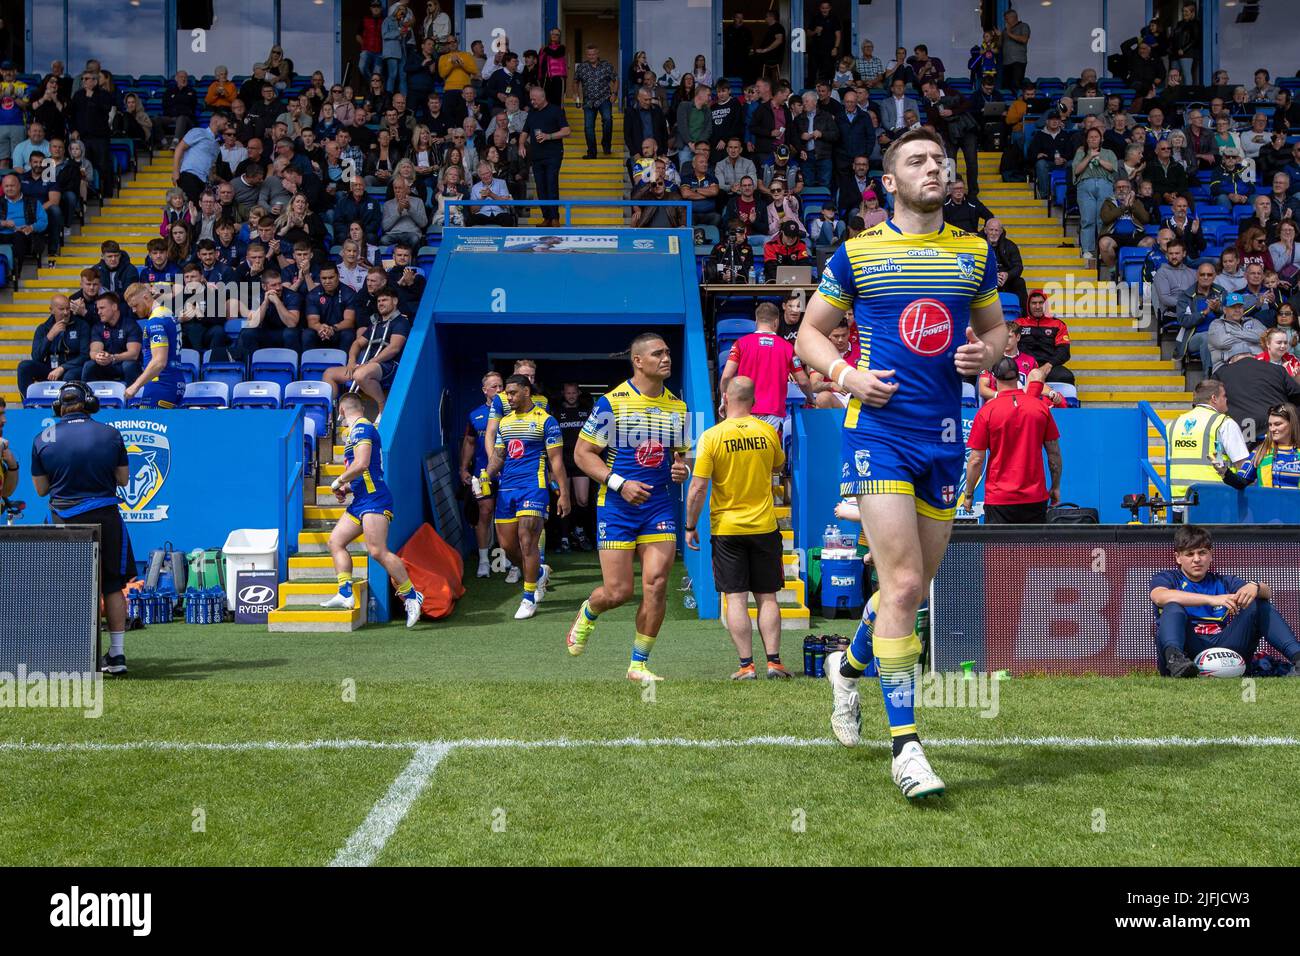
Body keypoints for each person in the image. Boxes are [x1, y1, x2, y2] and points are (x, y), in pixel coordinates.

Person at [796, 127, 1007, 800]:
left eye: (940, 160)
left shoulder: (974, 253)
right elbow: (807, 331)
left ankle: (845, 670)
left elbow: (998, 330)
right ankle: (907, 749)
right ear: (889, 181)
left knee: (901, 593)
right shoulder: (858, 254)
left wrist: (987, 356)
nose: (933, 168)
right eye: (917, 160)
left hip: (944, 435)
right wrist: (845, 375)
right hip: (877, 431)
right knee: (907, 584)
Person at [567, 333, 690, 682]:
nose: (666, 358)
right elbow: (582, 455)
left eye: (667, 353)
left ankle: (638, 664)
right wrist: (620, 484)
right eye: (657, 353)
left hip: (658, 507)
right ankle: (590, 611)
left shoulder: (677, 407)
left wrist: (681, 469)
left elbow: (679, 457)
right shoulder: (611, 403)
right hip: (616, 507)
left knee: (656, 583)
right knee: (619, 592)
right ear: (638, 361)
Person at [686, 373, 790, 680]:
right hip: (764, 526)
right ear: (754, 401)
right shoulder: (768, 431)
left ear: (726, 399)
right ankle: (774, 662)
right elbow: (778, 466)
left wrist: (690, 525)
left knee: (735, 598)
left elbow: (697, 488)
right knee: (767, 596)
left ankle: (747, 665)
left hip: (727, 529)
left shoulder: (712, 436)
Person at [30, 382, 134, 674]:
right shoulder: (110, 433)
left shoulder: (43, 437)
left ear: (58, 406)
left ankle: (74, 656)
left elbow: (40, 489)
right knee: (113, 586)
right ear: (89, 403)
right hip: (106, 515)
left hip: (65, 519)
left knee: (69, 589)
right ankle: (117, 656)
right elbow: (124, 480)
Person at [321, 393, 424, 627]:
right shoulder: (355, 432)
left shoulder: (361, 429)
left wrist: (337, 482)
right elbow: (364, 472)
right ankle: (345, 592)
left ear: (341, 411)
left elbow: (362, 464)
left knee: (377, 551)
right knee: (335, 542)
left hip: (375, 499)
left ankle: (411, 595)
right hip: (361, 499)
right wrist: (346, 488)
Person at [1151, 525, 1300, 678]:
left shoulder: (1224, 582)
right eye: (1190, 554)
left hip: (1224, 649)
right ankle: (1176, 663)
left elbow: (1267, 592)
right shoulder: (1167, 578)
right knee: (1172, 607)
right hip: (1187, 648)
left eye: (1202, 553)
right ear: (1178, 558)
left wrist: (1255, 586)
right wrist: (1212, 600)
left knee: (1259, 604)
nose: (1197, 559)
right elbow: (1159, 596)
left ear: (1211, 555)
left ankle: (1298, 659)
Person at [482, 374, 570, 620]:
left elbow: (556, 461)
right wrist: (486, 475)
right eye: (506, 394)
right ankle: (538, 574)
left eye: (512, 393)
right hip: (507, 489)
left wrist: (564, 493)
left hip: (534, 486)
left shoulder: (546, 421)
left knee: (527, 541)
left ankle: (528, 596)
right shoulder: (505, 423)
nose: (508, 397)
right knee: (508, 547)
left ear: (526, 392)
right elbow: (499, 456)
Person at [963, 363, 1062, 523]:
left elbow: (975, 460)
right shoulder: (1040, 407)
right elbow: (1054, 454)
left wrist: (969, 494)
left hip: (999, 499)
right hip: (1035, 498)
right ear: (1018, 377)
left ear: (994, 379)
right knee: (1033, 549)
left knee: (1000, 548)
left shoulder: (987, 411)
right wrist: (1055, 487)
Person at [719, 301, 813, 428]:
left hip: (745, 411)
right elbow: (803, 381)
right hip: (773, 415)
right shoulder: (788, 348)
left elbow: (726, 377)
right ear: (776, 322)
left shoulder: (740, 343)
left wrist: (724, 401)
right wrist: (811, 399)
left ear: (756, 320)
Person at [323, 286, 409, 417]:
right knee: (329, 373)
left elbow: (394, 348)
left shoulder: (401, 322)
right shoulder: (376, 325)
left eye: (385, 300)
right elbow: (357, 343)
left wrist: (370, 362)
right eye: (379, 301)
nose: (380, 303)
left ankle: (382, 407)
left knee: (360, 375)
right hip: (369, 365)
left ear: (395, 301)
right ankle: (331, 416)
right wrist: (352, 361)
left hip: (388, 365)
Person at [1167, 379, 1253, 508]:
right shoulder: (1224, 423)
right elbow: (1243, 466)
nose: (1226, 400)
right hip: (1215, 499)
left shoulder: (1174, 424)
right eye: (1224, 396)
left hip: (1179, 501)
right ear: (1214, 398)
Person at [461, 370, 504, 578]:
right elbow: (469, 443)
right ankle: (485, 561)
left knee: (506, 516)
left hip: (508, 473)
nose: (498, 389)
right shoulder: (475, 415)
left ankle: (507, 559)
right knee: (485, 512)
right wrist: (463, 468)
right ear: (484, 390)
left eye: (500, 385)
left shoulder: (511, 413)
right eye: (494, 386)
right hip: (482, 473)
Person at [121, 284, 185, 408]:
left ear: (146, 297)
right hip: (176, 381)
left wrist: (135, 386)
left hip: (161, 384)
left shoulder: (155, 322)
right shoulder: (168, 313)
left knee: (145, 426)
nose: (134, 310)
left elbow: (159, 362)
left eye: (135, 306)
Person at [1216, 353, 1300, 448]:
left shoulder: (1221, 372)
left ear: (1232, 360)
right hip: (1276, 426)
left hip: (1242, 430)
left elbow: (1212, 399)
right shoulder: (1276, 369)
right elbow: (1296, 395)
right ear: (1254, 357)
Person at [17, 294, 89, 397]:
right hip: (50, 369)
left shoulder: (82, 326)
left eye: (68, 309)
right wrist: (49, 336)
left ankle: (66, 406)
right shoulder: (43, 328)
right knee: (24, 366)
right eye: (61, 309)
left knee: (70, 375)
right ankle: (29, 405)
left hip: (72, 368)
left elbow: (85, 355)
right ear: (51, 310)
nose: (66, 313)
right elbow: (36, 357)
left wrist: (63, 368)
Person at [552, 382, 594, 553]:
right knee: (563, 498)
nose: (571, 396)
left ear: (578, 393)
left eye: (573, 393)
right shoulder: (556, 413)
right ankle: (564, 538)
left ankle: (579, 530)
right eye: (568, 393)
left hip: (581, 460)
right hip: (561, 461)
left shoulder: (586, 412)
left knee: (582, 499)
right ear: (563, 393)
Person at [522, 85, 570, 227]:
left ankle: (555, 218)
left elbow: (567, 131)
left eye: (534, 99)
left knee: (551, 185)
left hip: (553, 155)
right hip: (536, 156)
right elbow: (525, 132)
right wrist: (520, 145)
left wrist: (548, 136)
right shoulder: (532, 112)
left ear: (543, 98)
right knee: (540, 188)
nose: (532, 102)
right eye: (531, 99)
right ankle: (547, 217)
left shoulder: (556, 110)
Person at [172, 110, 230, 206]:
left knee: (198, 212)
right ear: (216, 121)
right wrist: (175, 171)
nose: (226, 126)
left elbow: (211, 166)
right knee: (192, 209)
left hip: (204, 182)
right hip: (189, 176)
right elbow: (179, 148)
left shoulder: (217, 146)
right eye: (225, 123)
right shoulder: (198, 131)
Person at [574, 43, 617, 159]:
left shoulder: (606, 65)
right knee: (588, 127)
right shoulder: (582, 67)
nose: (591, 56)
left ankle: (606, 144)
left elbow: (615, 80)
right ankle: (592, 152)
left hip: (604, 99)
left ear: (597, 54)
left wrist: (614, 94)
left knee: (608, 120)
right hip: (588, 101)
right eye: (589, 54)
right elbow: (576, 81)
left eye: (593, 54)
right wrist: (577, 95)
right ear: (586, 55)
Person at [1209, 292, 1268, 372]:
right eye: (1233, 307)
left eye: (1240, 307)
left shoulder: (1253, 321)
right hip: (1226, 367)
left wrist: (1233, 333)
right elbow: (1222, 342)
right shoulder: (1216, 324)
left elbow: (1264, 337)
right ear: (1225, 310)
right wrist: (1252, 339)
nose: (1237, 310)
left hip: (1256, 364)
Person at [999, 8, 1030, 93]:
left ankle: (1017, 104)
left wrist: (1009, 33)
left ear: (1013, 17)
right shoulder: (1005, 30)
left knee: (1017, 85)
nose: (1005, 20)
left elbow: (1024, 39)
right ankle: (1007, 105)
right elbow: (1000, 46)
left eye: (1007, 18)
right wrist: (999, 36)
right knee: (1005, 86)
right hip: (1006, 62)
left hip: (1018, 61)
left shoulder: (1023, 26)